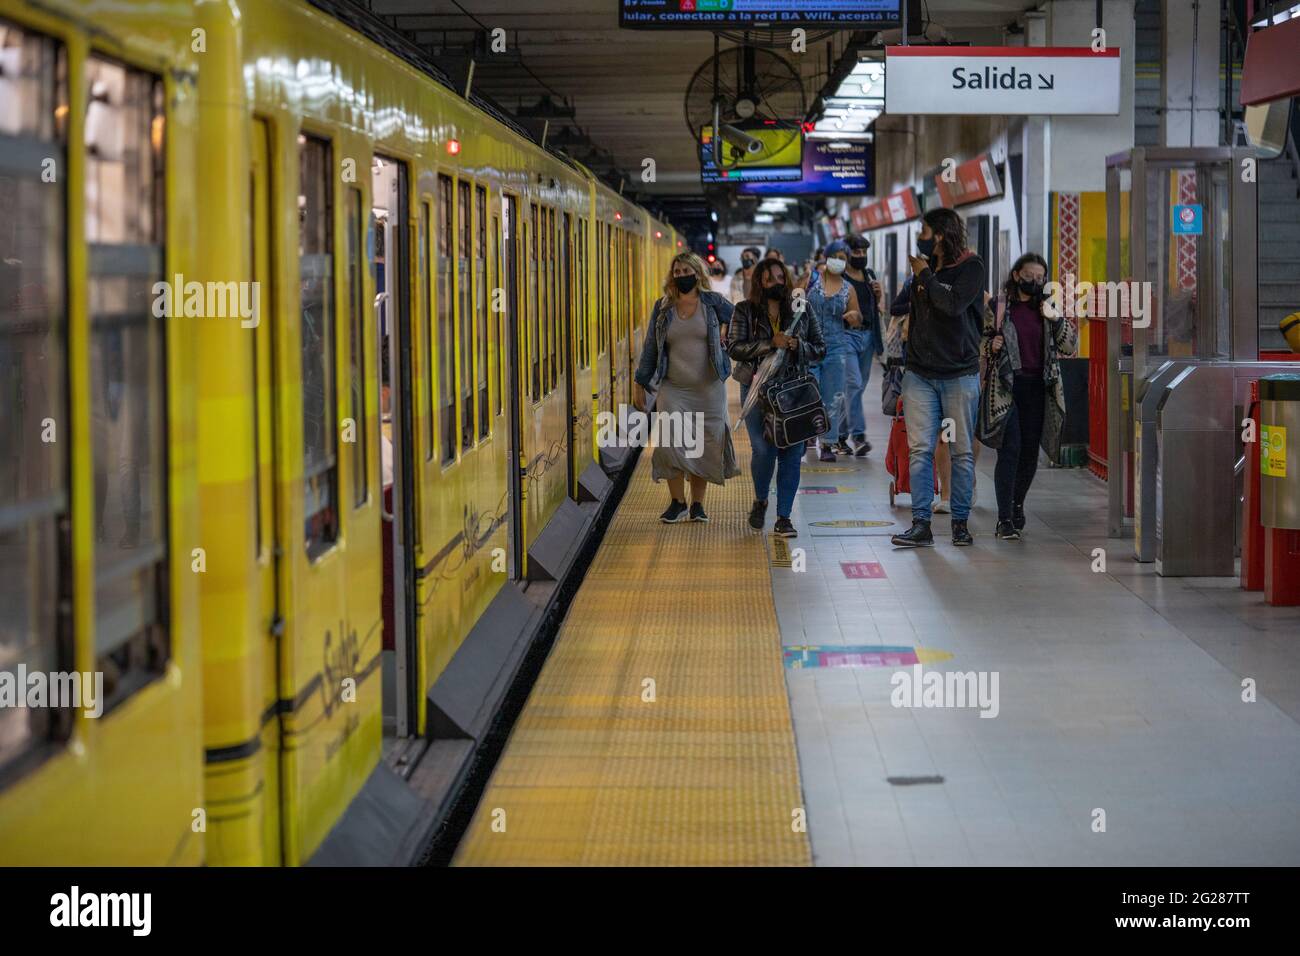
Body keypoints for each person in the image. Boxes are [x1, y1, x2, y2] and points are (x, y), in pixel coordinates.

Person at [890, 207, 985, 548]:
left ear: (941, 235)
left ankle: (959, 523)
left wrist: (927, 276)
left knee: (960, 452)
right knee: (919, 450)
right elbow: (900, 308)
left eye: (924, 231)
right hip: (919, 373)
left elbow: (952, 305)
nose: (920, 237)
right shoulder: (922, 272)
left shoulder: (971, 267)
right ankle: (921, 524)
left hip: (958, 375)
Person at [633, 252, 739, 523]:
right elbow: (651, 348)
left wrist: (728, 335)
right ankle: (677, 502)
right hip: (673, 389)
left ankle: (698, 505)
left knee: (703, 445)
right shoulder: (664, 307)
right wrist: (640, 383)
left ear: (697, 273)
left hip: (708, 389)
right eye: (677, 272)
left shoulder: (713, 302)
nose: (681, 276)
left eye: (686, 271)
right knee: (671, 445)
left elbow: (741, 321)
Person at [727, 258, 826, 538]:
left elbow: (820, 348)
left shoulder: (802, 310)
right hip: (758, 391)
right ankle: (761, 500)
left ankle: (784, 517)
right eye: (770, 278)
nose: (777, 283)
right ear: (760, 281)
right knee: (763, 450)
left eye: (781, 277)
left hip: (793, 391)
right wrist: (770, 343)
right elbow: (734, 347)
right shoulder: (744, 311)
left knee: (793, 454)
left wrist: (797, 345)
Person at [985, 253, 1078, 540]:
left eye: (1041, 277)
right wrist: (991, 344)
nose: (1035, 282)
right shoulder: (999, 307)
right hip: (1007, 388)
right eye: (1030, 276)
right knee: (1010, 450)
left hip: (1039, 388)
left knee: (1029, 454)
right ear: (1016, 275)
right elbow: (980, 342)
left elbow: (1070, 345)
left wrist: (1056, 317)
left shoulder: (1047, 308)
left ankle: (1017, 503)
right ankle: (1004, 519)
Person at [798, 240, 863, 462]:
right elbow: (794, 300)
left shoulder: (848, 288)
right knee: (809, 394)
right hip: (809, 346)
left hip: (836, 349)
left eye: (843, 258)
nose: (839, 261)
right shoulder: (811, 280)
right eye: (834, 256)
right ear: (826, 257)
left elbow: (857, 316)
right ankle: (806, 436)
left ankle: (827, 443)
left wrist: (855, 317)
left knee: (832, 398)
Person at [839, 234, 886, 456]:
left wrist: (879, 296)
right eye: (856, 252)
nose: (861, 256)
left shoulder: (869, 276)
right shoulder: (839, 278)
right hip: (846, 336)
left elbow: (876, 309)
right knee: (854, 385)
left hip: (867, 336)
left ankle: (838, 436)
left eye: (864, 252)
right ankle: (858, 437)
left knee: (854, 389)